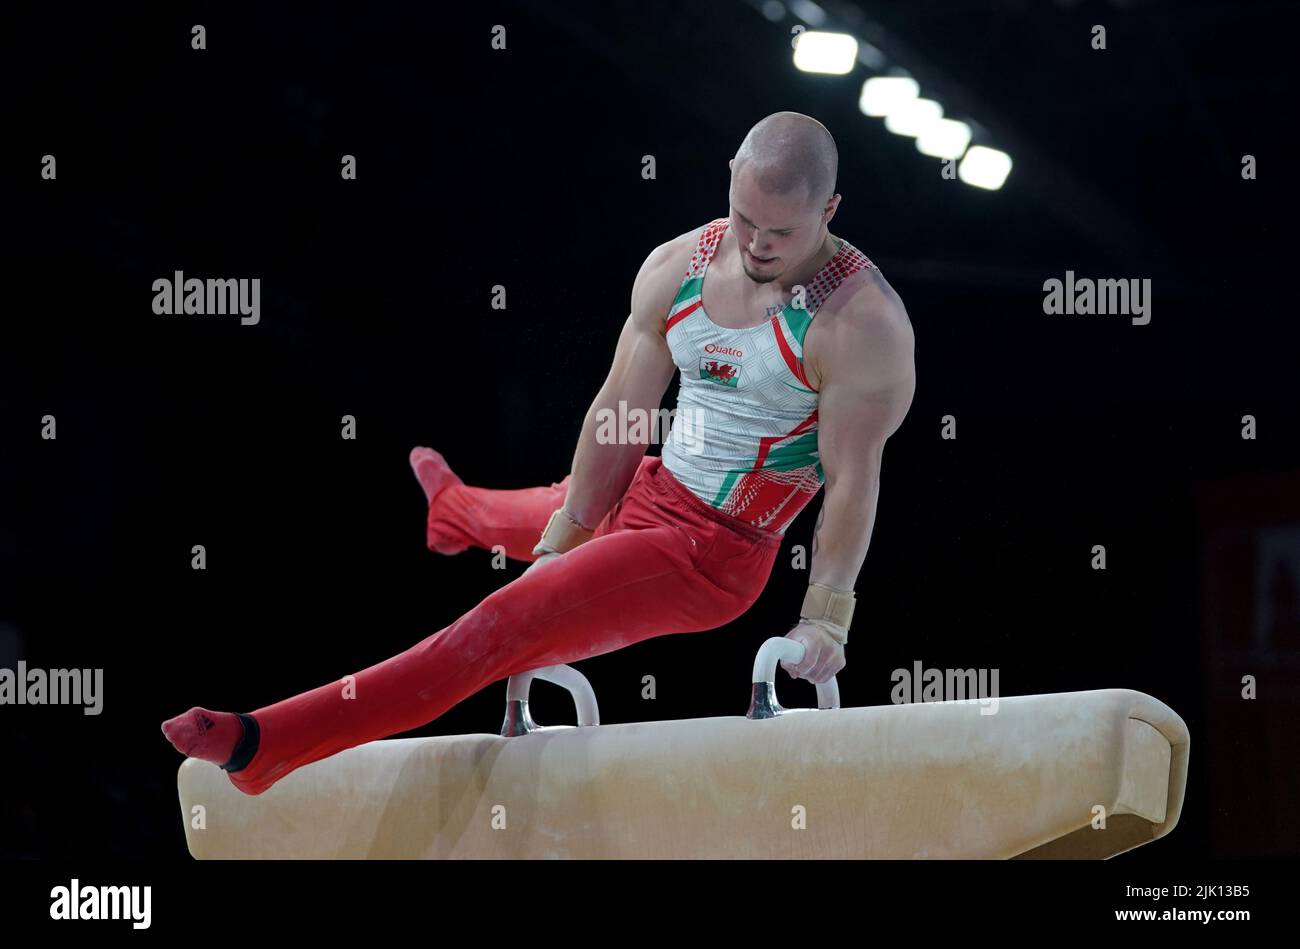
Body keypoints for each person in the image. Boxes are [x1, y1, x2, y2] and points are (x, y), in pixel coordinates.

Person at [161, 111, 916, 796]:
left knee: (506, 619)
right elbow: (620, 413)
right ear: (728, 179)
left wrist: (825, 619)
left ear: (830, 212)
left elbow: (853, 480)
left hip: (710, 553)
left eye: (780, 234)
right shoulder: (677, 267)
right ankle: (454, 514)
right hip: (649, 490)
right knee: (533, 515)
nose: (756, 245)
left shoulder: (859, 324)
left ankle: (269, 745)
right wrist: (567, 533)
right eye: (745, 218)